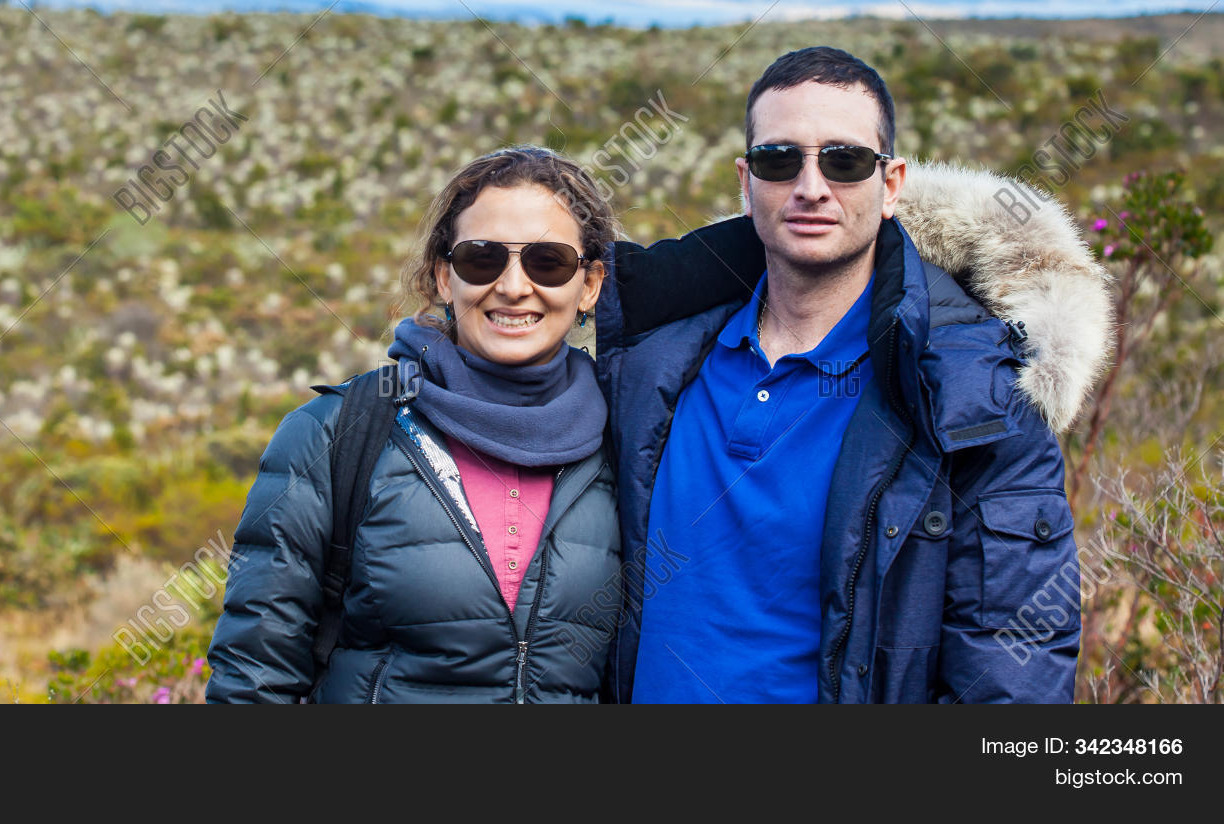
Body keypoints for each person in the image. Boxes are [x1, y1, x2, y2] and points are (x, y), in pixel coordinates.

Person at [595, 46, 1112, 703]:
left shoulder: (975, 403)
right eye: (780, 160)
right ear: (745, 182)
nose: (811, 187)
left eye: (844, 162)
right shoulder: (647, 367)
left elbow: (1011, 682)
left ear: (891, 184)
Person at [206, 146, 623, 702]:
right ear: (445, 278)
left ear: (590, 285)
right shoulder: (337, 433)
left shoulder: (630, 436)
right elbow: (254, 675)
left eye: (548, 261)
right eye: (482, 259)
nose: (515, 286)